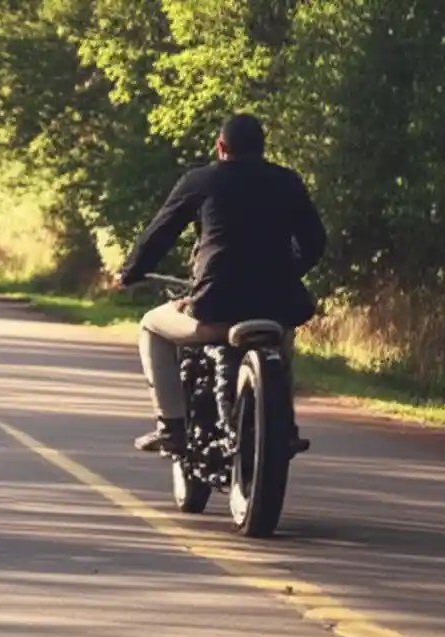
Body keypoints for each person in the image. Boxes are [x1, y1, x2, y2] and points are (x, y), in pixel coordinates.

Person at [117, 114, 326, 454]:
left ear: (220, 147)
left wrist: (130, 273)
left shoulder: (201, 180)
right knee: (282, 342)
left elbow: (160, 233)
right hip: (277, 308)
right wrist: (289, 272)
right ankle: (285, 427)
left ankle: (171, 426)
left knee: (151, 326)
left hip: (215, 310)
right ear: (262, 148)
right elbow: (315, 242)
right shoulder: (287, 182)